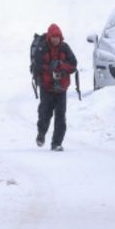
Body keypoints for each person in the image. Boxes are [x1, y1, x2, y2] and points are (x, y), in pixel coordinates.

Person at [33, 23, 77, 151]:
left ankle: (56, 143)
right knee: (45, 113)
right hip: (46, 87)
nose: (55, 39)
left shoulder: (65, 48)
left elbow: (73, 65)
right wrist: (49, 68)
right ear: (49, 37)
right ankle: (41, 135)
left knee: (60, 116)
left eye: (58, 37)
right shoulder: (42, 49)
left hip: (61, 88)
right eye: (53, 37)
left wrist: (60, 66)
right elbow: (38, 67)